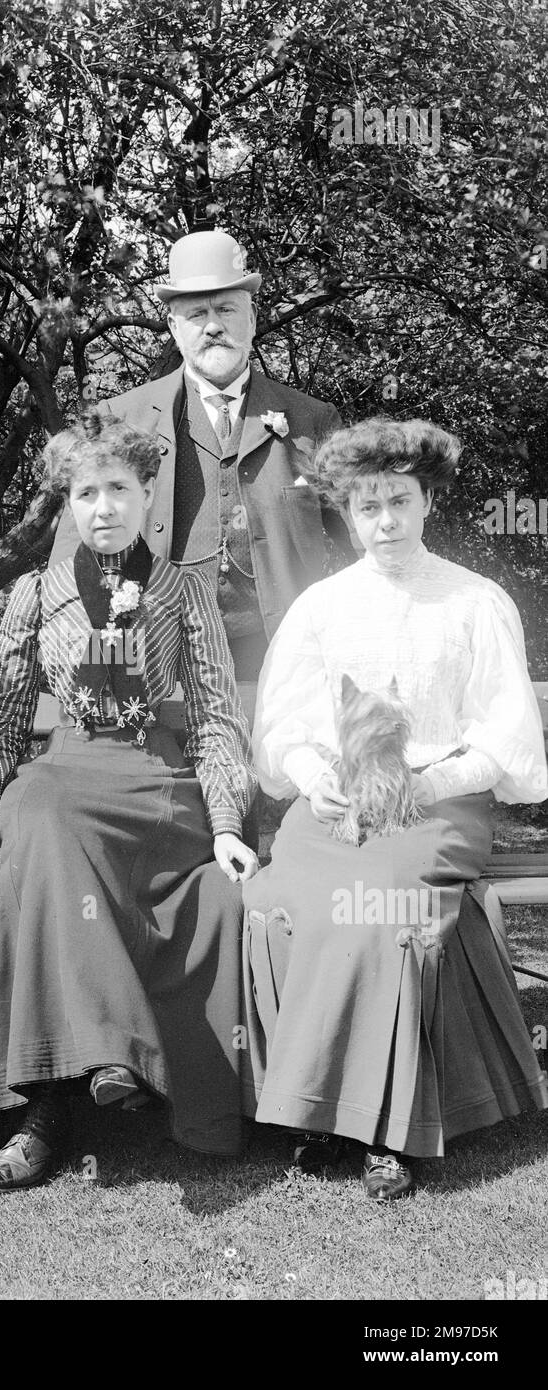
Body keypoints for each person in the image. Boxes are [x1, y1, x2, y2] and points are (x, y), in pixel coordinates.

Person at [0, 411, 259, 1192]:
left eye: (117, 489)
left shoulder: (183, 591)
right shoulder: (34, 594)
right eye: (84, 493)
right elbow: (1, 720)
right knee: (34, 812)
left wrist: (226, 826)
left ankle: (56, 1097)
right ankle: (87, 1071)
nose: (101, 507)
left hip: (154, 778)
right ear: (67, 506)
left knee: (176, 880)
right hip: (66, 769)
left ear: (147, 498)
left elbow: (214, 718)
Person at [240, 417, 548, 1200]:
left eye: (398, 503)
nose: (383, 523)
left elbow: (507, 745)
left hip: (436, 806)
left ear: (426, 503)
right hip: (340, 805)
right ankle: (309, 1106)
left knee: (377, 909)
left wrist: (429, 785)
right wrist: (315, 778)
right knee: (277, 900)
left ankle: (382, 1128)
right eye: (366, 507)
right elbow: (285, 729)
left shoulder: (475, 602)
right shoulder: (320, 607)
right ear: (346, 513)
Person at [49, 229, 354, 683]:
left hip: (282, 662)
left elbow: (363, 543)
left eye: (227, 310)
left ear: (251, 320)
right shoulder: (121, 418)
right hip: (155, 658)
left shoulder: (313, 420)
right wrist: (91, 667)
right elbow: (75, 557)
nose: (213, 326)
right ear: (174, 328)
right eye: (196, 314)